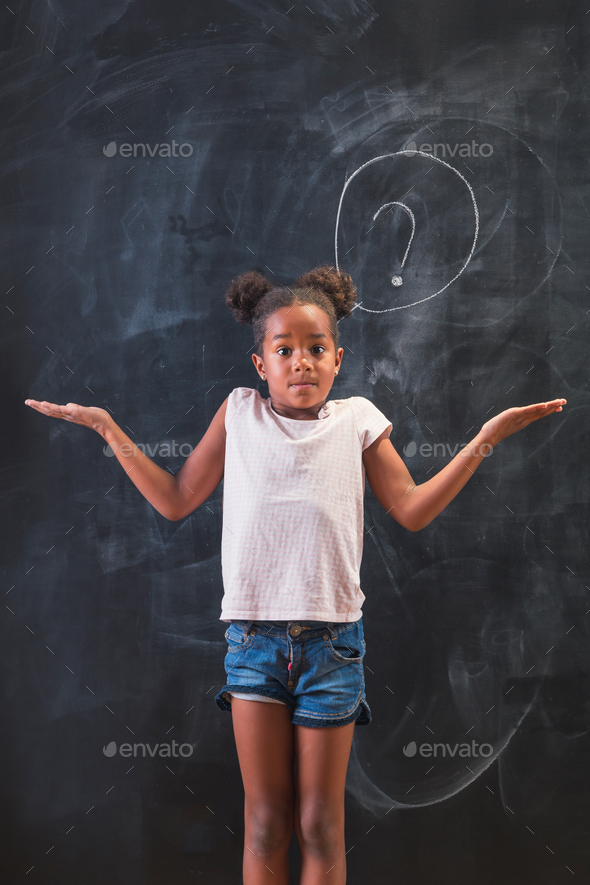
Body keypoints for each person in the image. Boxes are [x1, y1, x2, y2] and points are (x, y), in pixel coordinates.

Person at [24, 264, 566, 885]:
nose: (301, 362)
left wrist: (486, 438)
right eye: (284, 350)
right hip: (253, 644)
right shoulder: (239, 414)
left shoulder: (359, 419)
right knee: (264, 824)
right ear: (261, 365)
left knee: (318, 825)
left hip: (334, 647)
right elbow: (176, 499)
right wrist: (106, 427)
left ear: (338, 358)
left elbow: (413, 510)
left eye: (315, 349)